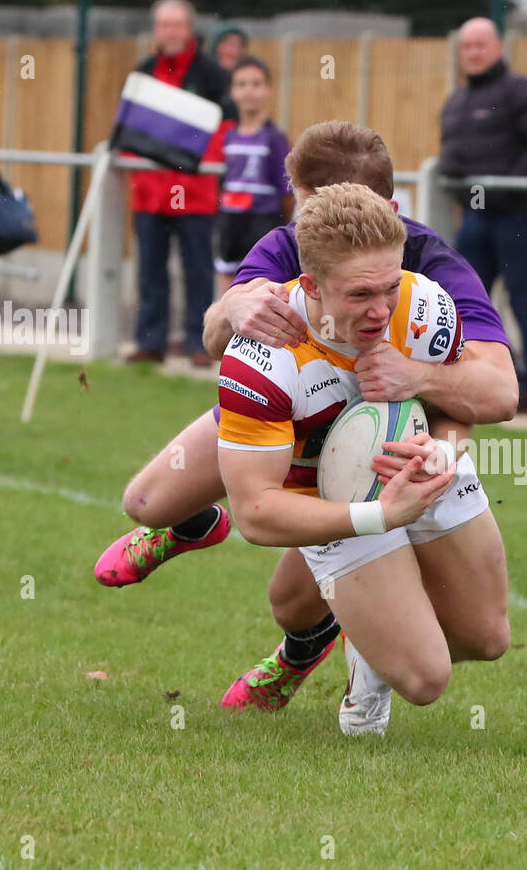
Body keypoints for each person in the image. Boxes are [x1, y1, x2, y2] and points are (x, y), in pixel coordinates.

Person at [93, 121, 517, 721]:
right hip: (290, 426)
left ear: (384, 212)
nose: (305, 222)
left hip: (391, 439)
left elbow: (495, 392)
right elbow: (220, 343)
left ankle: (319, 637)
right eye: (303, 205)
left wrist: (422, 405)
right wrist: (230, 307)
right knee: (147, 501)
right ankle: (195, 528)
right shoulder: (287, 256)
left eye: (317, 206)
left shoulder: (427, 284)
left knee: (481, 637)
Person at [217, 181, 509, 736]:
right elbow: (254, 512)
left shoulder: (423, 305)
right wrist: (380, 517)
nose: (381, 310)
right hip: (332, 499)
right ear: (312, 286)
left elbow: (466, 409)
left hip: (418, 471)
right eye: (359, 296)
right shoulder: (263, 356)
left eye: (388, 287)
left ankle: (363, 618)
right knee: (424, 678)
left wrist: (442, 451)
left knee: (487, 639)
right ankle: (364, 647)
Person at [439, 17, 527, 414]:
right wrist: (458, 179)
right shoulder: (456, 101)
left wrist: (504, 186)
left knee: (524, 299)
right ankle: (469, 376)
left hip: (517, 217)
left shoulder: (520, 91)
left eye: (480, 45)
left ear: (498, 48)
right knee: (463, 299)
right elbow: (450, 157)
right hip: (473, 219)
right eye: (466, 46)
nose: (473, 53)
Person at [126, 0, 231, 368]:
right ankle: (149, 341)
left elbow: (225, 128)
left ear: (189, 29)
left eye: (176, 24)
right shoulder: (143, 70)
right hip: (150, 193)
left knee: (198, 269)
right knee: (150, 270)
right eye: (163, 25)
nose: (169, 32)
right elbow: (127, 128)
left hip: (196, 192)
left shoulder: (211, 73)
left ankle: (199, 343)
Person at [211, 57, 292, 298]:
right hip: (230, 222)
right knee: (227, 285)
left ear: (268, 89)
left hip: (263, 222)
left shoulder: (275, 137)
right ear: (232, 90)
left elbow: (286, 191)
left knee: (261, 284)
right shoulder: (227, 136)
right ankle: (225, 334)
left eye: (256, 84)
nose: (249, 91)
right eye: (242, 84)